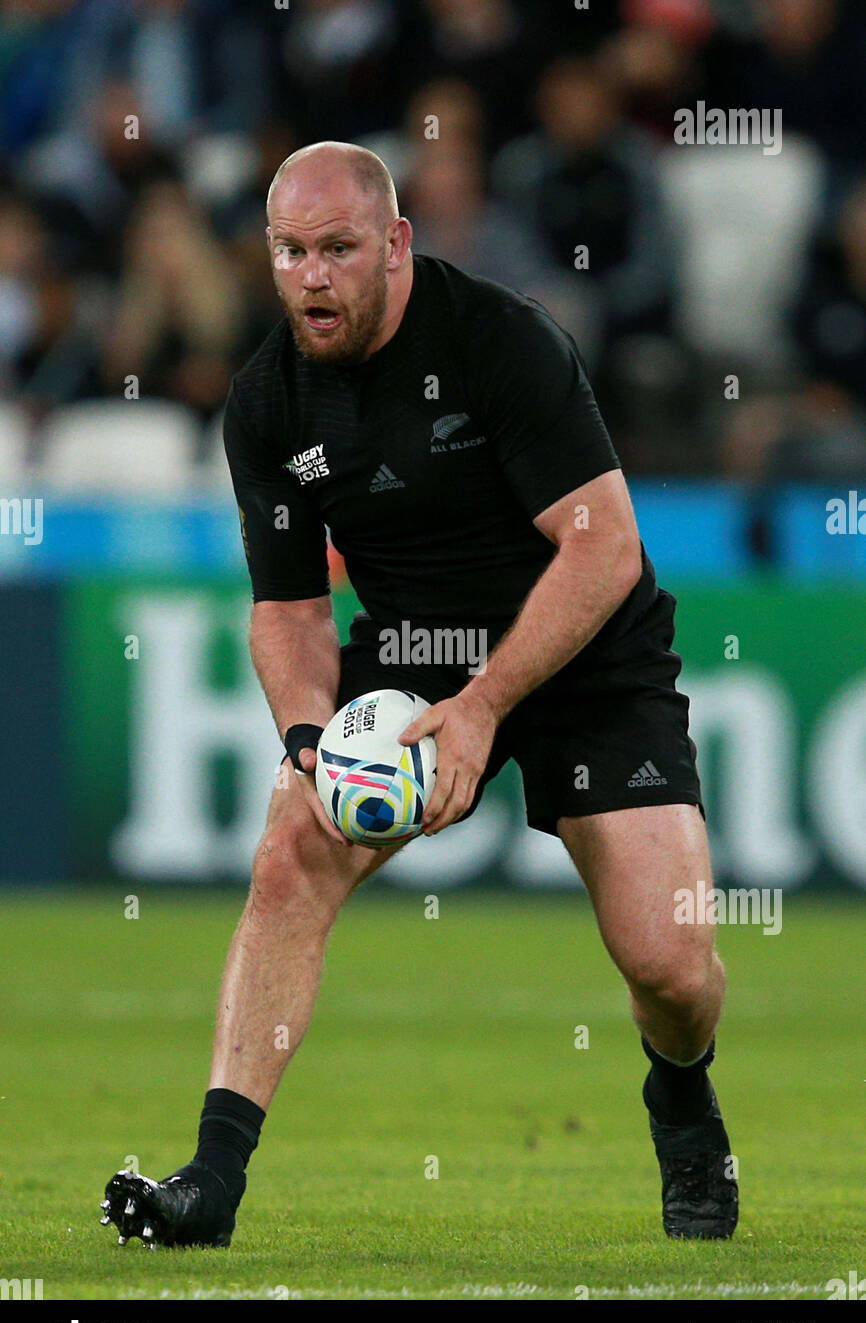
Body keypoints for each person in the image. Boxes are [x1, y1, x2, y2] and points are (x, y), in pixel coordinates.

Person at [100, 141, 737, 1248]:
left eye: (337, 249)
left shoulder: (499, 339)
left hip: (586, 645)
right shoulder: (266, 404)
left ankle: (680, 1097)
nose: (311, 276)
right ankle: (210, 1180)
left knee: (670, 965)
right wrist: (304, 735)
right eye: (290, 251)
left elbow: (602, 547)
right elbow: (289, 610)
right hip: (411, 649)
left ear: (394, 243)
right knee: (287, 852)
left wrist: (487, 705)